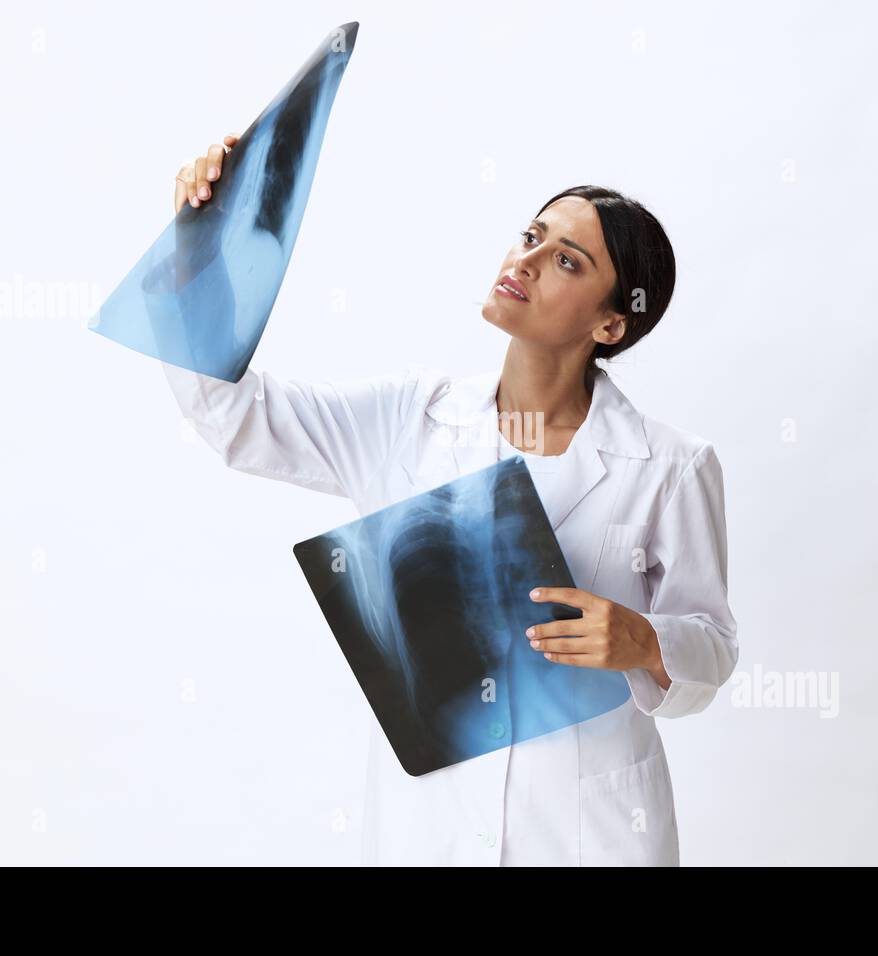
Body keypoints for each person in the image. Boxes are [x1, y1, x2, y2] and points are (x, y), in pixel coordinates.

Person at [164, 135, 739, 866]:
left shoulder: (672, 466)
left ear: (611, 323)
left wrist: (646, 642)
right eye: (532, 236)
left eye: (566, 260)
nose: (524, 261)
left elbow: (713, 646)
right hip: (427, 830)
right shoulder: (408, 419)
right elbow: (236, 418)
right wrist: (198, 253)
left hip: (589, 833)